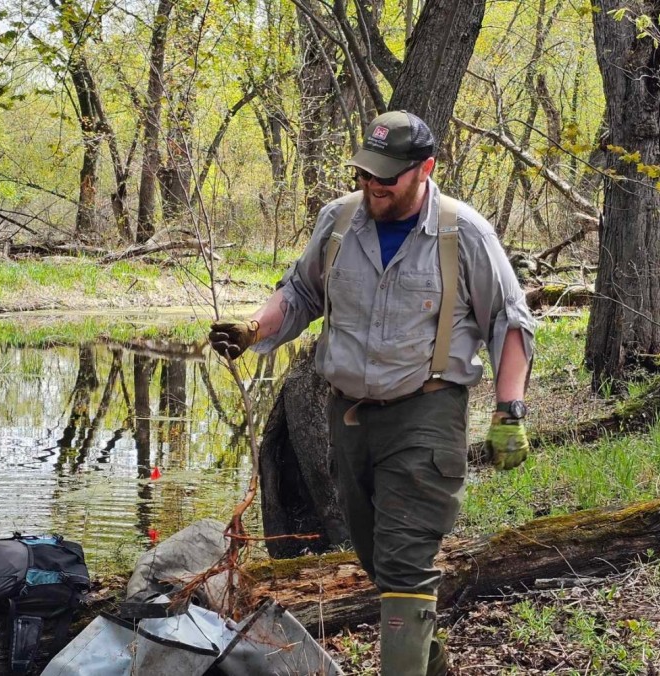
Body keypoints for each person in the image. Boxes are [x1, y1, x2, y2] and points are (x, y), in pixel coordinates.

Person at [208, 110, 535, 676]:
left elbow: (510, 322)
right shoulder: (338, 221)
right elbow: (300, 293)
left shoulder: (464, 233)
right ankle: (429, 663)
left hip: (426, 413)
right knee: (377, 557)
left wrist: (509, 410)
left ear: (425, 170)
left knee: (406, 563)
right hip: (351, 418)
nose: (373, 184)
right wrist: (253, 328)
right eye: (366, 172)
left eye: (388, 175)